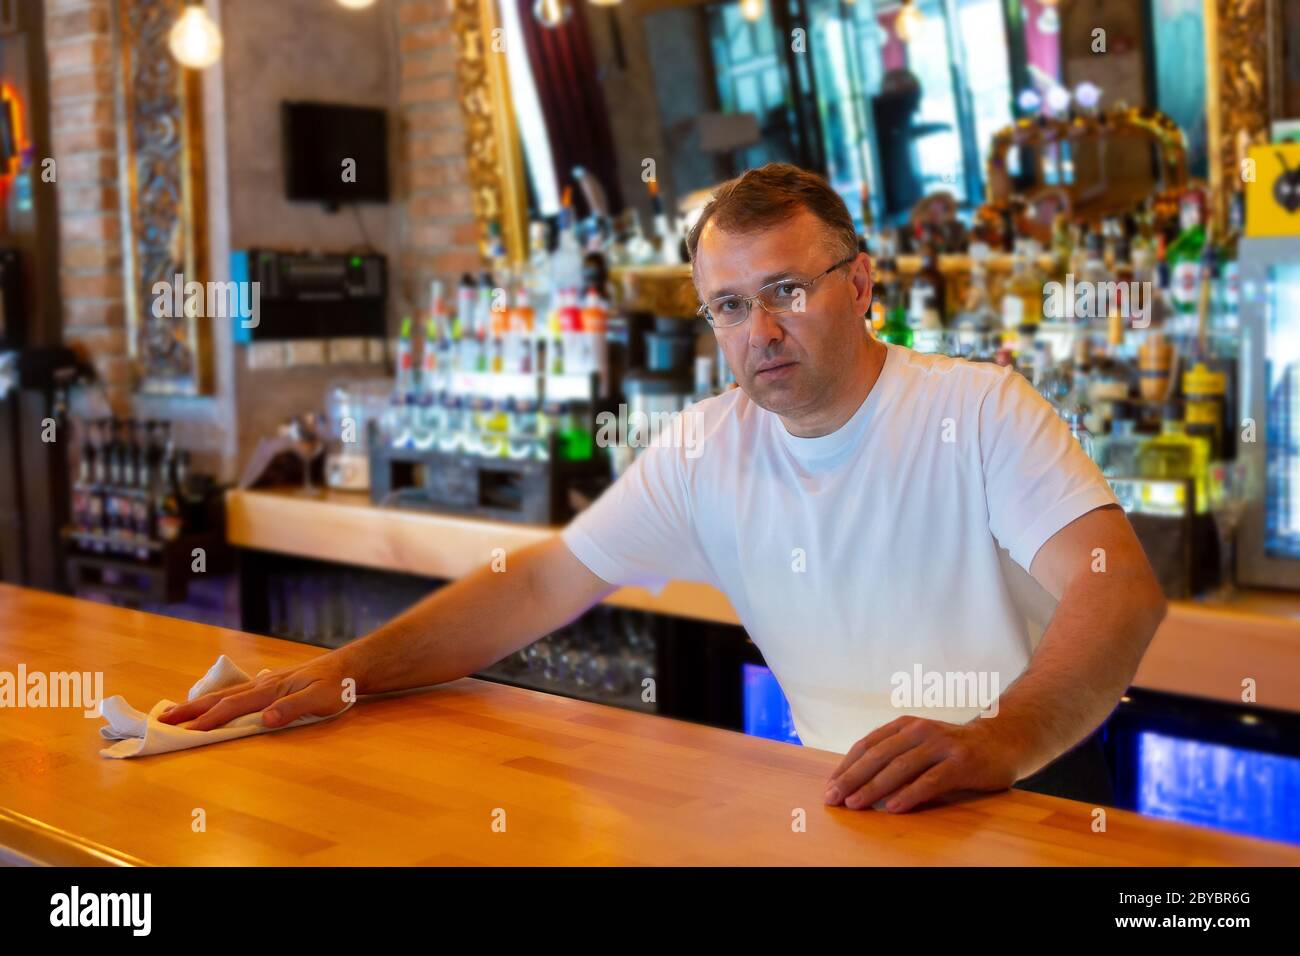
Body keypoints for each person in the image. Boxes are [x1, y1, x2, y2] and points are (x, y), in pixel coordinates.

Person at [162, 163, 1166, 813]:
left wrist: (996, 736)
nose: (758, 330)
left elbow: (1117, 586)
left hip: (1030, 793)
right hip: (842, 802)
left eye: (787, 289)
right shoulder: (707, 447)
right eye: (728, 306)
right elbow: (537, 581)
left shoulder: (979, 407)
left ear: (861, 287)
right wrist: (346, 671)